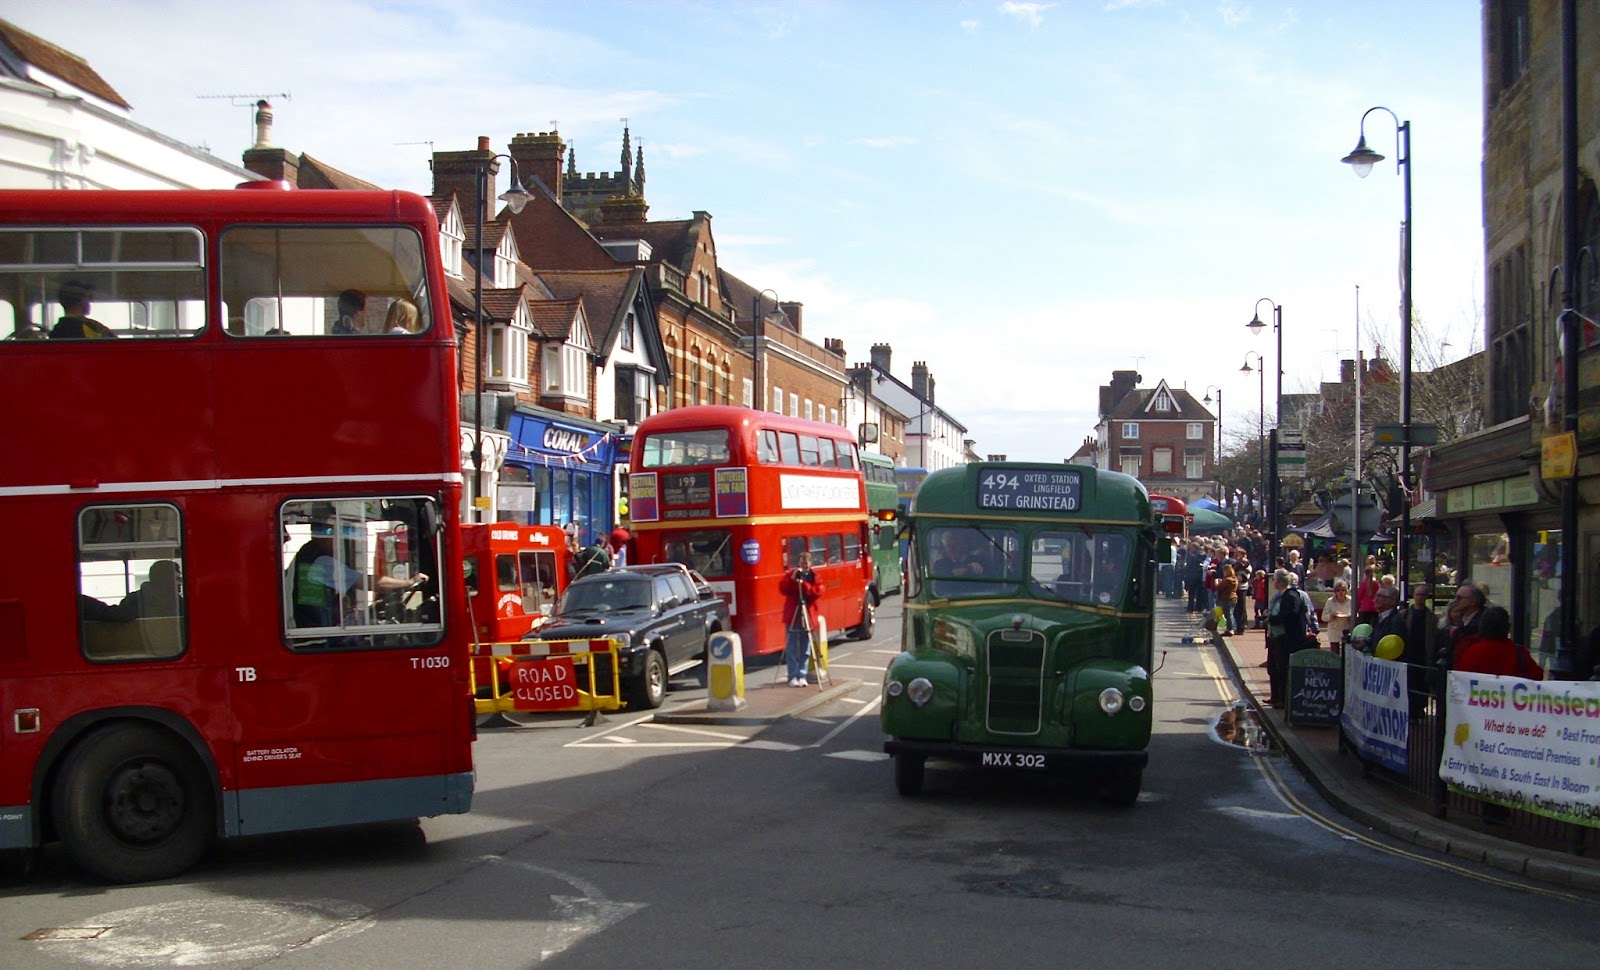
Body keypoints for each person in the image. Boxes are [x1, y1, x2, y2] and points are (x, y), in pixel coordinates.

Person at [291, 515, 425, 628]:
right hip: (320, 632)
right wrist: (408, 582)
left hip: (312, 623)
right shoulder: (321, 561)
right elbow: (366, 582)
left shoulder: (307, 553)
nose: (333, 542)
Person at [1453, 606, 1542, 679]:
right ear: (1507, 627)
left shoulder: (1473, 652)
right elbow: (1537, 675)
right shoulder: (1519, 652)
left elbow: (1463, 680)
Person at [779, 552, 823, 687]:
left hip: (807, 615)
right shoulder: (791, 575)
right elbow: (783, 589)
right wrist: (792, 579)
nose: (803, 566)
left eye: (806, 563)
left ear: (810, 564)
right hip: (793, 614)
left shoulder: (815, 577)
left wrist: (803, 583)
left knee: (805, 646)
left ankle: (802, 675)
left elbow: (817, 592)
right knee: (791, 646)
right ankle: (792, 675)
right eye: (801, 563)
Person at [1265, 569, 1307, 707]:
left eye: (1274, 579)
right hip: (1275, 638)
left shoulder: (1291, 596)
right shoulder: (1280, 595)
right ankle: (1275, 696)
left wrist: (1273, 618)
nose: (1273, 582)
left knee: (1282, 669)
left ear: (1279, 581)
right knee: (1273, 667)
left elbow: (1291, 615)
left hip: (1285, 639)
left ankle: (1282, 699)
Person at [1439, 582, 1487, 668]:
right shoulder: (1459, 620)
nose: (1456, 601)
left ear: (1472, 601)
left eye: (1460, 598)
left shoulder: (1484, 621)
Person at [49, 280, 116, 339]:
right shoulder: (90, 328)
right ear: (81, 300)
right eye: (88, 298)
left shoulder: (56, 330)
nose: (89, 302)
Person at [1320, 579, 1354, 651]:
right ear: (1335, 592)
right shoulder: (1330, 601)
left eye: (1343, 590)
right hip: (1334, 630)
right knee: (1334, 653)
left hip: (1346, 629)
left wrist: (1351, 616)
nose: (1341, 592)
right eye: (1338, 590)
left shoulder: (1351, 600)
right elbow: (1323, 617)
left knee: (1346, 652)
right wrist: (1332, 615)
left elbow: (1356, 613)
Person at [1213, 563, 1239, 636]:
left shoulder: (1227, 580)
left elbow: (1218, 587)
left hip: (1226, 598)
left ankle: (1230, 629)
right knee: (1231, 614)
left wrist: (1216, 582)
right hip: (1233, 597)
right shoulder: (1234, 579)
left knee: (1228, 614)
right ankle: (1232, 628)